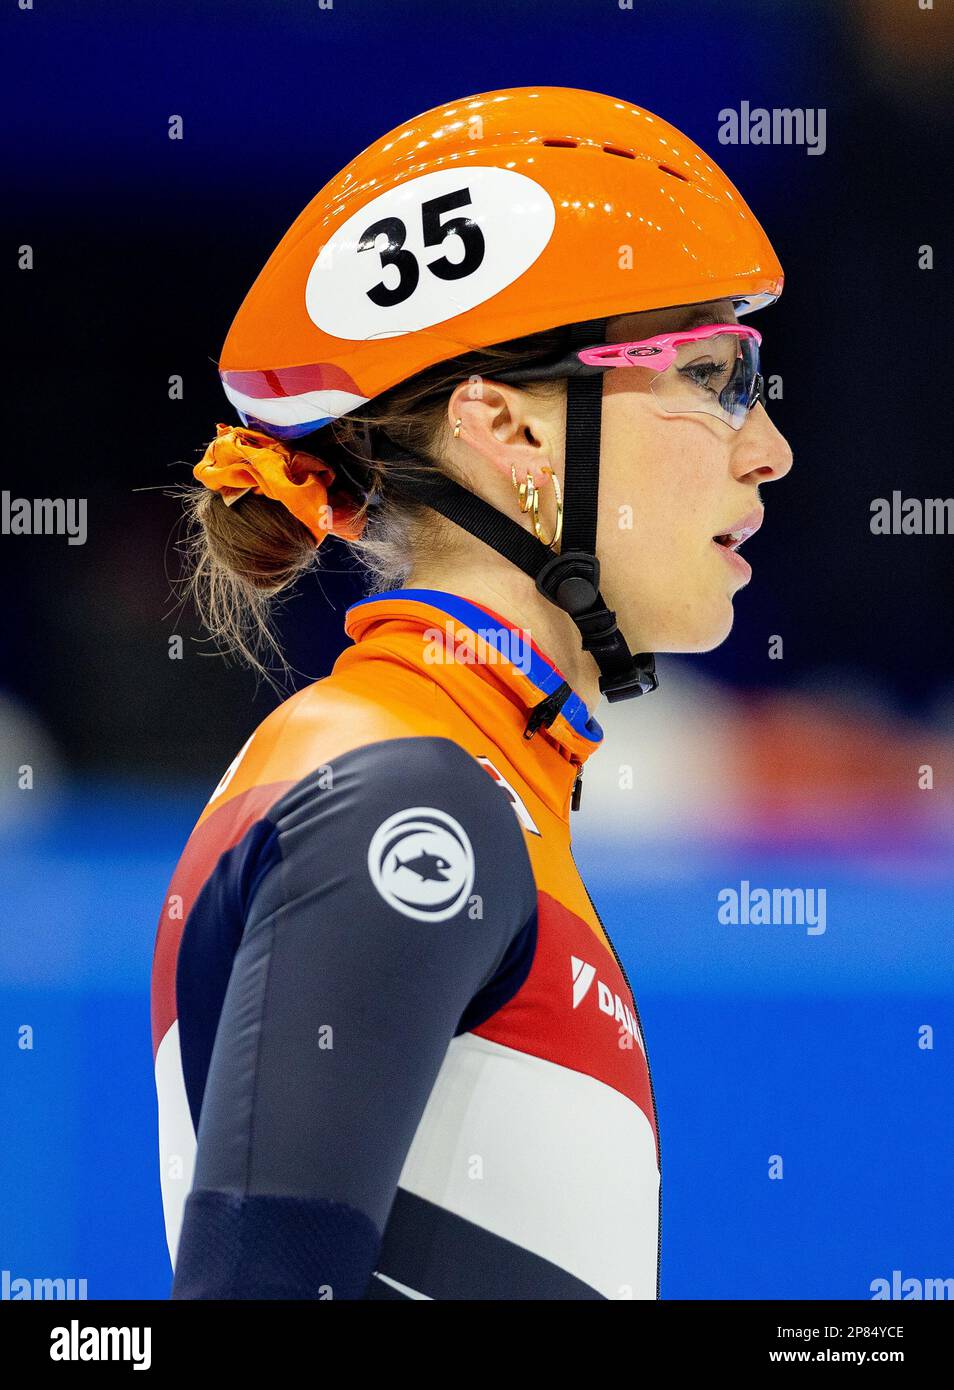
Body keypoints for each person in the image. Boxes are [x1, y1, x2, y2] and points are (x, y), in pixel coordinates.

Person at [150, 85, 793, 1301]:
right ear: (508, 428)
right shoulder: (398, 789)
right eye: (712, 375)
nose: (768, 447)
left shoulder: (462, 775)